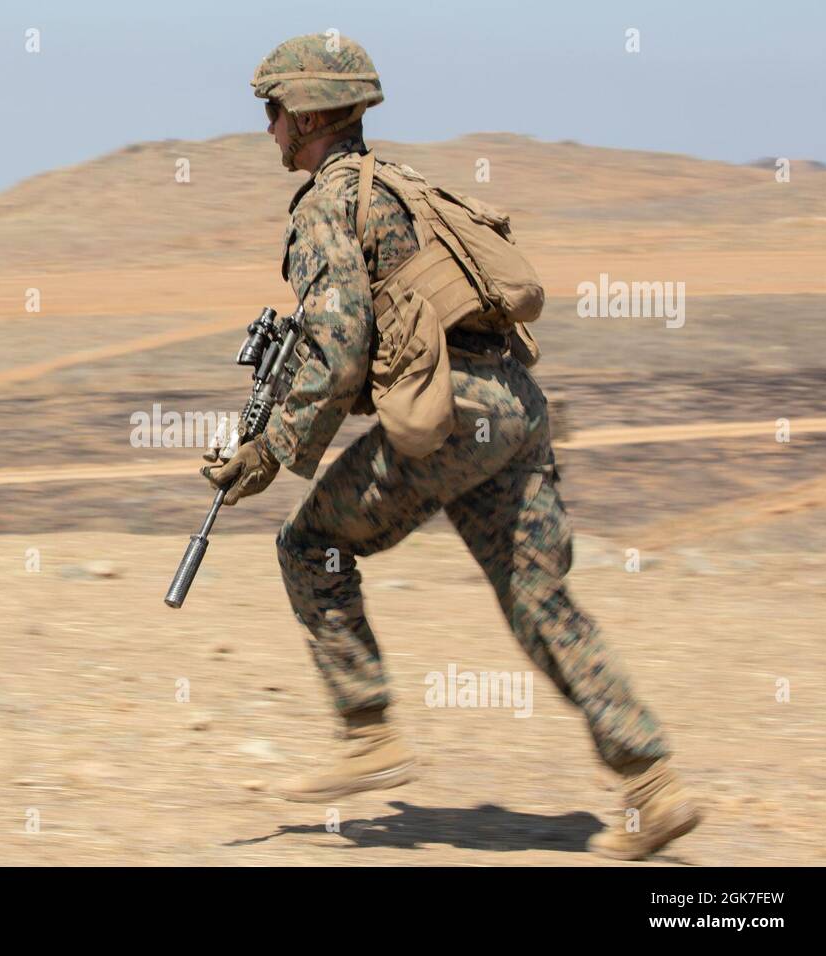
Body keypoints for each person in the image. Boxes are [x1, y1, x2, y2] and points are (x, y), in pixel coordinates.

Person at [201, 33, 699, 860]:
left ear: (315, 113)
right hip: (515, 406)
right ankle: (654, 784)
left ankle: (368, 734)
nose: (269, 129)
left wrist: (269, 453)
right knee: (539, 601)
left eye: (275, 110)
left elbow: (337, 345)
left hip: (453, 414)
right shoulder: (404, 188)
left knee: (309, 543)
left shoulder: (330, 203)